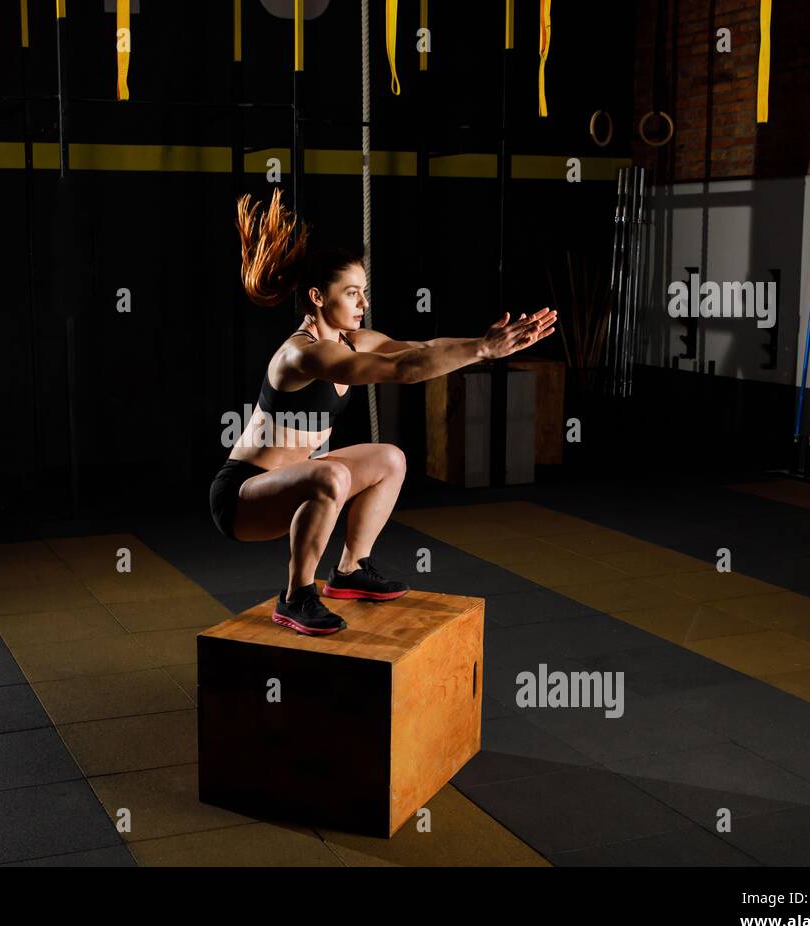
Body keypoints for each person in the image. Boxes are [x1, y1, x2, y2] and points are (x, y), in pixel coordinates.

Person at [210, 188, 557, 635]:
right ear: (317, 296)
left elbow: (420, 349)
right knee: (329, 475)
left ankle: (351, 571)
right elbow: (402, 370)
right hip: (243, 496)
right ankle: (297, 595)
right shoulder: (303, 355)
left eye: (364, 293)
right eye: (352, 293)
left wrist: (482, 347)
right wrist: (481, 350)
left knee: (390, 459)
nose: (363, 304)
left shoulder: (353, 340)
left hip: (296, 482)